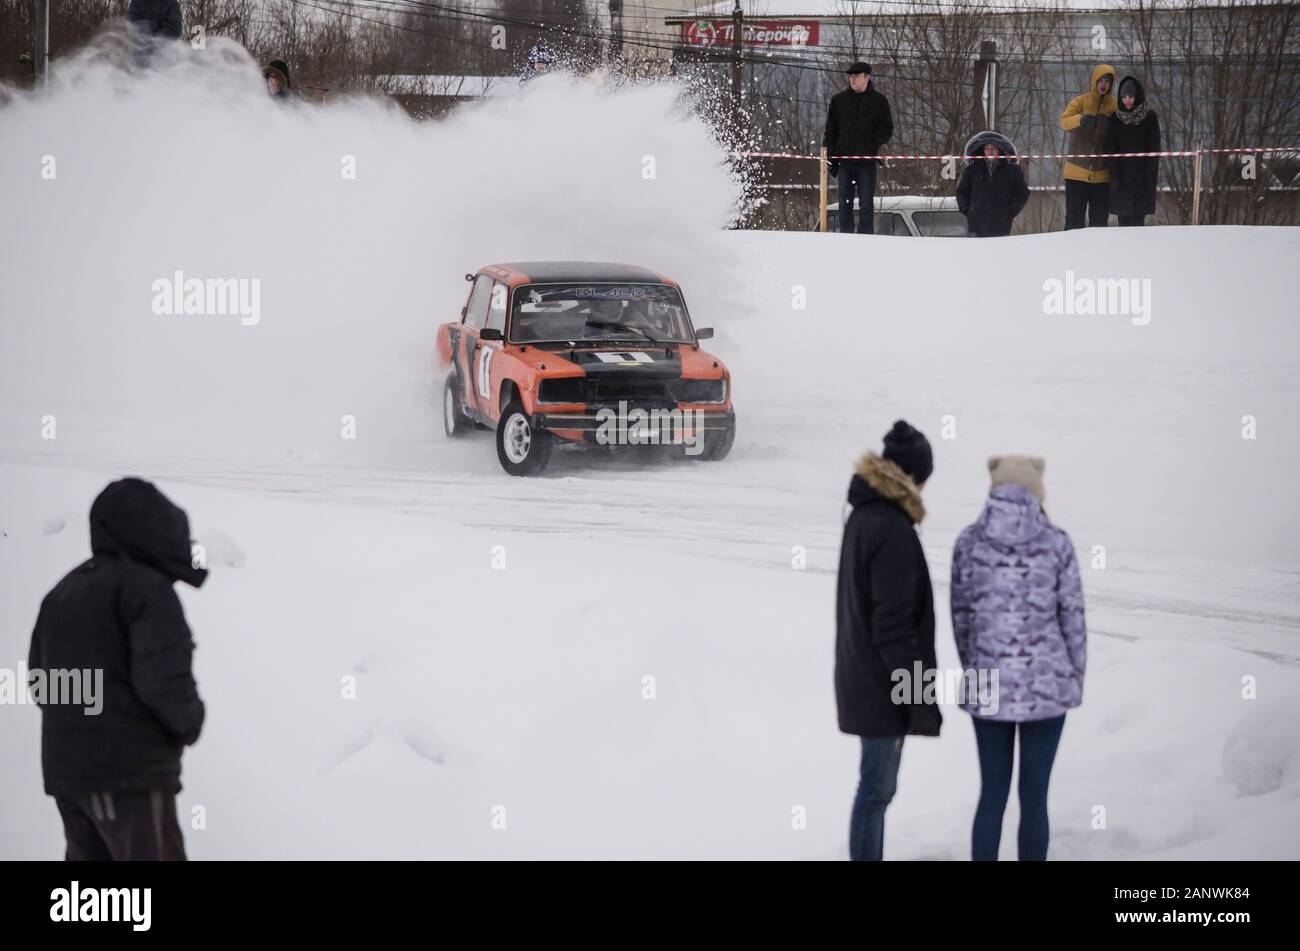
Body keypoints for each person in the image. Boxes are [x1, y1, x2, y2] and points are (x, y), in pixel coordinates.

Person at [28, 478, 208, 861]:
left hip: (66, 776)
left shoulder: (62, 592)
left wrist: (80, 724)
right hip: (130, 774)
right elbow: (161, 680)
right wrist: (190, 721)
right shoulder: (147, 590)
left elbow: (42, 685)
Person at [950, 457, 1087, 861]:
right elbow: (1073, 619)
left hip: (987, 687)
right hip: (1047, 688)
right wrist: (1073, 679)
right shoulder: (1057, 543)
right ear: (1037, 493)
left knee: (991, 794)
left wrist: (974, 666)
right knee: (1034, 798)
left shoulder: (969, 542)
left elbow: (961, 617)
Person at [835, 420, 942, 861]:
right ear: (912, 476)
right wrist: (918, 697)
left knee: (875, 791)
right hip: (883, 688)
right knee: (876, 792)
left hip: (864, 677)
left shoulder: (866, 515)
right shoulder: (892, 530)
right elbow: (893, 628)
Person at [823, 62, 894, 234]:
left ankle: (866, 240)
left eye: (856, 76)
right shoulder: (839, 101)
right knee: (844, 204)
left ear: (866, 77)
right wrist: (832, 158)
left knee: (866, 204)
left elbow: (887, 128)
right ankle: (846, 239)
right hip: (845, 162)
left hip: (866, 162)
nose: (852, 79)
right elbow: (831, 131)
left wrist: (871, 144)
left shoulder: (879, 101)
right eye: (850, 76)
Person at [1059, 64, 1117, 229]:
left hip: (1102, 175)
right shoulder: (1081, 101)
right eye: (1101, 80)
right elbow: (1063, 122)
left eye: (1108, 81)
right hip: (1076, 173)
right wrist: (1080, 120)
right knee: (1073, 222)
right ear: (1095, 81)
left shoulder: (1114, 107)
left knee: (1099, 223)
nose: (1103, 84)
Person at [1108, 76, 1162, 226]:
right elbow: (1111, 151)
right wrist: (1115, 177)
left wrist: (1150, 178)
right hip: (1121, 182)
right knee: (1123, 223)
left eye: (1131, 96)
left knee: (1138, 225)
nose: (1127, 100)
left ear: (1137, 96)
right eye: (1124, 97)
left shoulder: (1149, 117)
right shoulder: (1115, 118)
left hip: (1142, 180)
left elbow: (1154, 150)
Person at [955, 130, 1031, 237]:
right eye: (987, 148)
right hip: (975, 228)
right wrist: (968, 211)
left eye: (993, 148)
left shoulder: (1012, 171)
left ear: (999, 150)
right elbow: (961, 192)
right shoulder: (972, 170)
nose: (990, 151)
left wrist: (1009, 212)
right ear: (983, 151)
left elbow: (1022, 193)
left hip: (1001, 228)